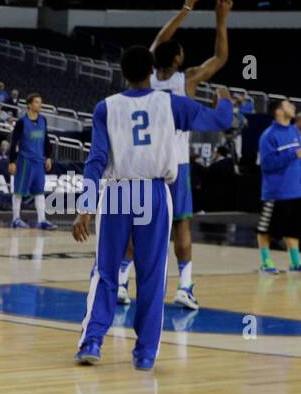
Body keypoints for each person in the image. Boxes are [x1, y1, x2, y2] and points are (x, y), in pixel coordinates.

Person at [72, 46, 233, 370]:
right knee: (152, 275)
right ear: (150, 72)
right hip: (156, 192)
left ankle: (92, 341)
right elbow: (221, 120)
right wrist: (225, 98)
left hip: (118, 193)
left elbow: (96, 161)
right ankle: (144, 354)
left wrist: (86, 204)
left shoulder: (106, 107)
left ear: (122, 73)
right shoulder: (169, 103)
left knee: (105, 271)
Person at [118, 0, 231, 309]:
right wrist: (220, 18)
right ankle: (184, 287)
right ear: (179, 58)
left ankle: (123, 282)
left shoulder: (147, 78)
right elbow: (221, 57)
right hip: (177, 164)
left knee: (137, 223)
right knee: (182, 223)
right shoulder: (189, 80)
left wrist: (185, 9)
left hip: (145, 162)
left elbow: (159, 42)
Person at [255, 98, 301, 273]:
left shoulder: (295, 131)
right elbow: (266, 164)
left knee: (293, 228)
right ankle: (266, 262)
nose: (293, 107)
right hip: (275, 192)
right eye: (289, 104)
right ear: (279, 111)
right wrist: (293, 154)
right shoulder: (269, 135)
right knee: (265, 228)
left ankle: (295, 262)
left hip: (295, 190)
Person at [7, 93, 54, 231]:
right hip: (25, 161)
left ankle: (42, 220)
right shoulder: (22, 122)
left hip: (39, 161)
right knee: (19, 191)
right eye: (37, 102)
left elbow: (46, 139)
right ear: (29, 104)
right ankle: (15, 219)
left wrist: (48, 156)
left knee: (39, 192)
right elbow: (14, 141)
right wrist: (12, 161)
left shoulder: (43, 120)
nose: (40, 105)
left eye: (40, 102)